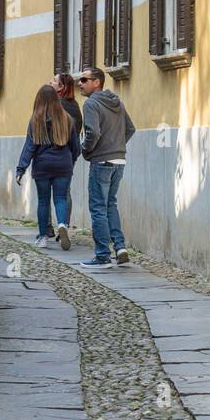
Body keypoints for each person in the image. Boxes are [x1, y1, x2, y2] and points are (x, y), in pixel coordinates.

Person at [76, 67, 135, 269]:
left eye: (84, 80)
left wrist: (86, 151)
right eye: (79, 80)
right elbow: (130, 129)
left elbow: (92, 132)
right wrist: (117, 146)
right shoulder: (117, 102)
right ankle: (119, 247)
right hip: (119, 161)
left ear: (97, 82)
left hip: (101, 162)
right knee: (110, 204)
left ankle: (102, 256)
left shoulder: (91, 104)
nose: (80, 83)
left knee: (98, 208)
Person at [15, 85, 80, 251]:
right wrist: (70, 161)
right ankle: (62, 224)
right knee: (60, 198)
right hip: (63, 165)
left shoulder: (35, 121)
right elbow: (76, 146)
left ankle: (43, 236)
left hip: (42, 166)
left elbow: (29, 147)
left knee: (43, 201)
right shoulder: (67, 119)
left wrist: (21, 169)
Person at [42, 73, 82, 238]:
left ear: (61, 87)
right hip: (67, 155)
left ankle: (47, 227)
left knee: (45, 193)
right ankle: (63, 224)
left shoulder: (52, 106)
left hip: (47, 154)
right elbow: (76, 133)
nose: (50, 82)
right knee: (65, 192)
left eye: (54, 81)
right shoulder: (75, 106)